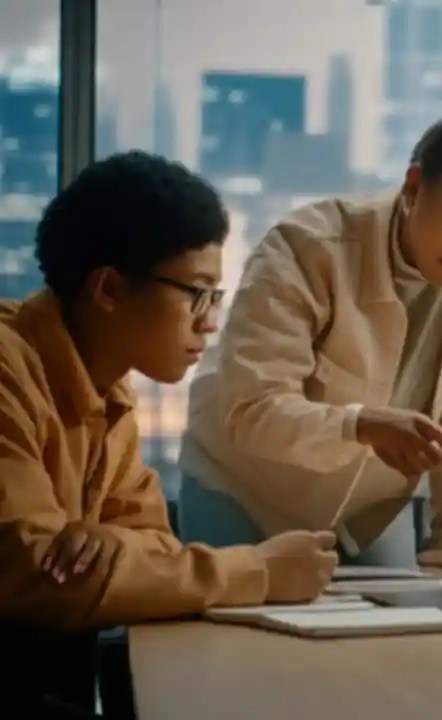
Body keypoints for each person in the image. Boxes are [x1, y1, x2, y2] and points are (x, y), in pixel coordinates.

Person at [178, 52, 442, 569]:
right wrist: (362, 425)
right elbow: (252, 411)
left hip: (367, 507)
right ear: (414, 187)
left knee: (397, 637)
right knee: (245, 643)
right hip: (243, 490)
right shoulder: (307, 247)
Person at [0, 151, 338, 717]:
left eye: (216, 297)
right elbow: (38, 575)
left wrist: (111, 545)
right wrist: (259, 571)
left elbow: (154, 542)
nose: (209, 320)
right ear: (108, 288)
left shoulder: (109, 391)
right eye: (197, 293)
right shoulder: (8, 369)